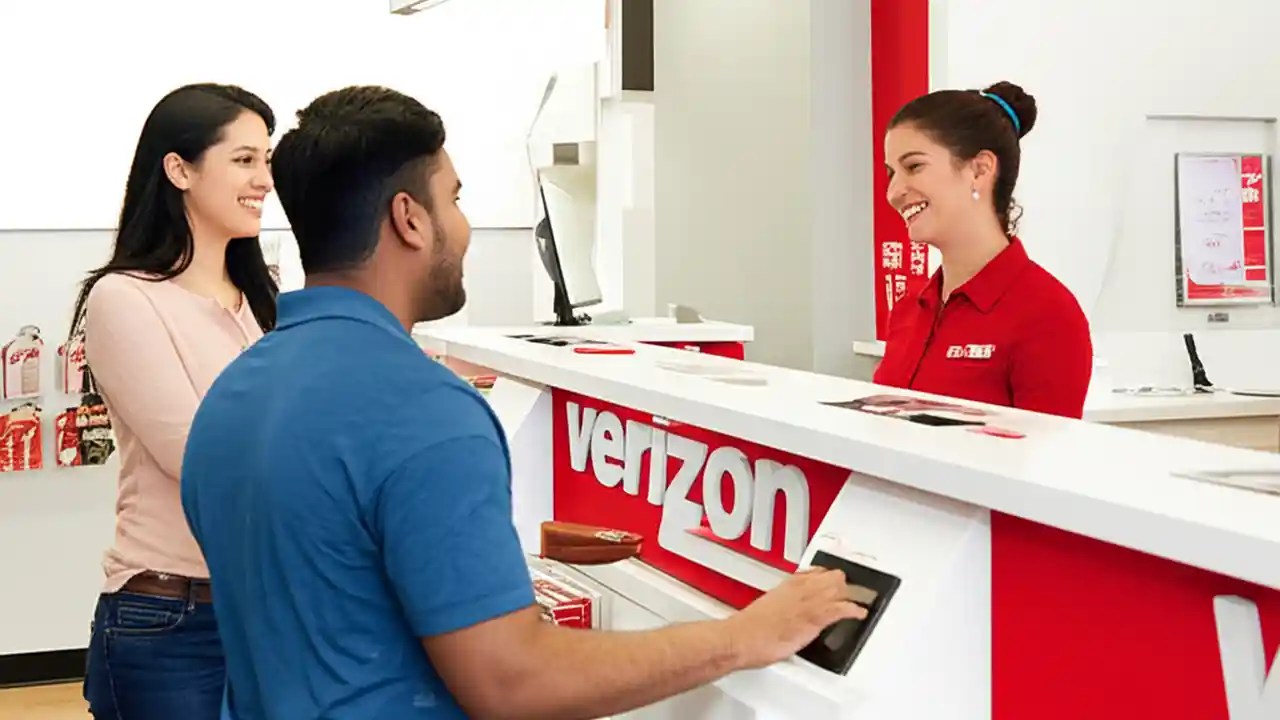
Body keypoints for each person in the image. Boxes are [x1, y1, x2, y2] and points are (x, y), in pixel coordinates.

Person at [180, 85, 863, 720]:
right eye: (455, 198)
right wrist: (743, 636)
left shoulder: (237, 391)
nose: (465, 226)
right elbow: (514, 680)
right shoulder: (427, 411)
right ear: (410, 219)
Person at [72, 83, 277, 720]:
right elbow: (200, 461)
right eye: (245, 160)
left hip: (264, 612)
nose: (265, 181)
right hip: (170, 622)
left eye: (267, 160)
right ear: (179, 168)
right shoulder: (124, 299)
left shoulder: (262, 299)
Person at [873, 81, 1093, 419]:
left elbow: (1046, 460)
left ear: (980, 169)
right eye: (891, 173)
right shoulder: (909, 308)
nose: (894, 191)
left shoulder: (1047, 314)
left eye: (914, 166)